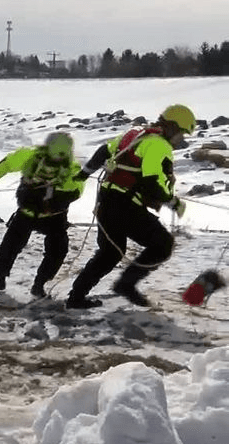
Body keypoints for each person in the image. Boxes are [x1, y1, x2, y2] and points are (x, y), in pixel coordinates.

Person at [65, 104, 196, 309]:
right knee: (162, 244)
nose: (181, 139)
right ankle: (126, 285)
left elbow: (103, 151)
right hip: (125, 205)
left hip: (106, 201)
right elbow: (151, 181)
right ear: (171, 127)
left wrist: (84, 174)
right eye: (181, 133)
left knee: (110, 253)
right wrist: (173, 202)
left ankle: (76, 297)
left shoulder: (135, 133)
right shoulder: (158, 145)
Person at [0, 132, 87, 298]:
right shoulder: (71, 167)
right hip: (47, 215)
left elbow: (7, 163)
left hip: (37, 214)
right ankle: (31, 283)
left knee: (13, 247)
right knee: (51, 250)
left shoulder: (32, 156)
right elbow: (77, 191)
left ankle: (10, 280)